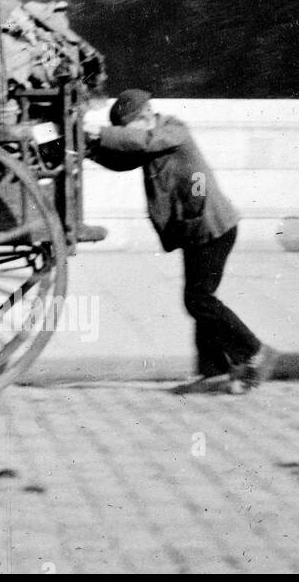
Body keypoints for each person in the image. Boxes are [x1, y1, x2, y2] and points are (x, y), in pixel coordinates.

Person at [84, 89, 276, 394]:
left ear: (146, 115)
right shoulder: (151, 135)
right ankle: (213, 372)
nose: (126, 135)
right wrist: (88, 148)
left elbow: (142, 142)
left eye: (126, 128)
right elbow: (124, 158)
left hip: (214, 229)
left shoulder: (173, 130)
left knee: (199, 300)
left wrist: (102, 133)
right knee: (200, 299)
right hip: (196, 230)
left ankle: (255, 352)